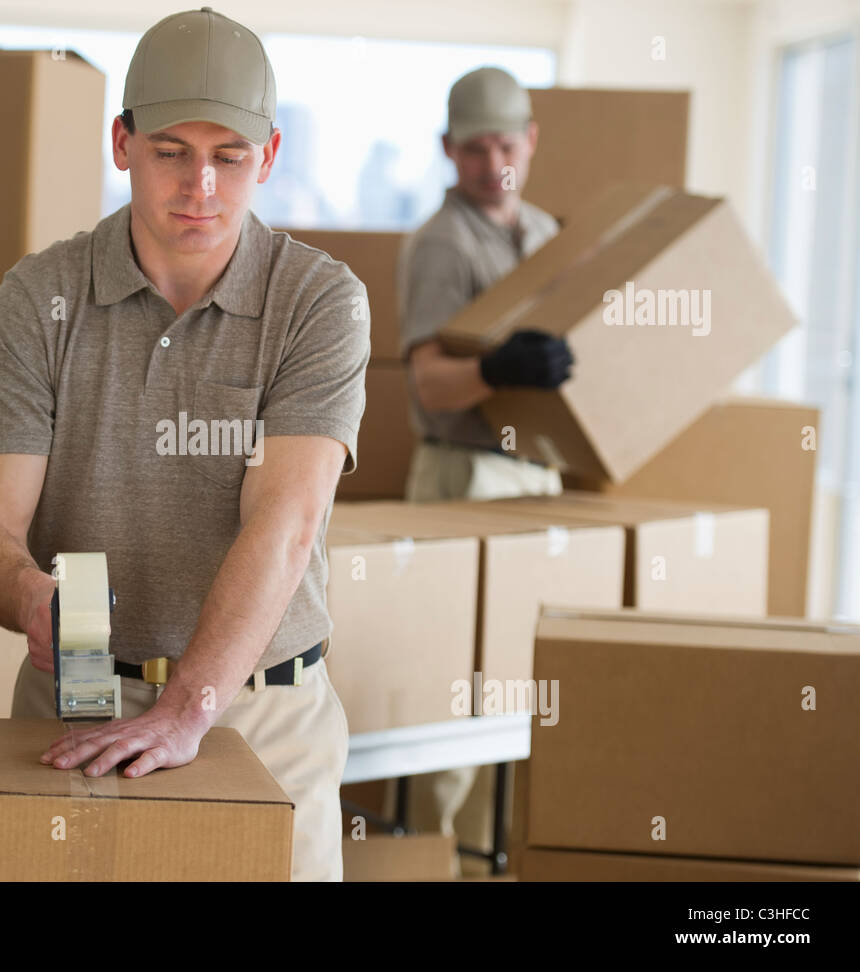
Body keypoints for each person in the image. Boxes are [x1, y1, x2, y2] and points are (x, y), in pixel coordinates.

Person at [0, 7, 370, 881]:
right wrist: (28, 597)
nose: (201, 187)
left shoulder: (319, 302)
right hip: (76, 696)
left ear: (270, 157)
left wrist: (189, 708)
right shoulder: (39, 298)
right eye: (171, 151)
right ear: (122, 143)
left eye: (229, 157)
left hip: (261, 712)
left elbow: (287, 523)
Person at [395, 65, 573, 867]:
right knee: (451, 684)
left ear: (530, 142)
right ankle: (435, 860)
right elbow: (428, 379)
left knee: (519, 683)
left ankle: (495, 856)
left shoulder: (544, 234)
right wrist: (496, 370)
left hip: (535, 479)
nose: (491, 161)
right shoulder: (443, 243)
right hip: (464, 476)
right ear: (447, 151)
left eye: (506, 143)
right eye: (474, 148)